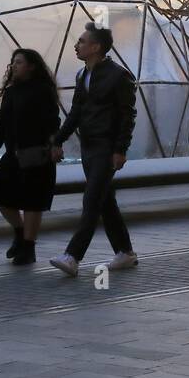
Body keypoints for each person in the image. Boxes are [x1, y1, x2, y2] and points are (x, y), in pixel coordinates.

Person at [48, 23, 138, 277]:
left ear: (96, 47)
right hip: (89, 146)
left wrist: (120, 149)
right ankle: (125, 252)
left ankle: (73, 256)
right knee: (105, 200)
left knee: (91, 199)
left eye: (82, 41)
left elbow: (127, 115)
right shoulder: (82, 75)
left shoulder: (118, 76)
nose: (77, 45)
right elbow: (76, 112)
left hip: (106, 147)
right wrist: (58, 140)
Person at [0, 49, 61, 266]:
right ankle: (20, 232)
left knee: (32, 201)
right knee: (1, 195)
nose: (13, 66)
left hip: (37, 153)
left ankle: (28, 247)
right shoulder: (11, 92)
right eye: (13, 62)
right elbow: (1, 122)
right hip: (13, 153)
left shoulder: (43, 91)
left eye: (19, 62)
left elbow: (52, 122)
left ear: (32, 66)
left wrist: (55, 144)